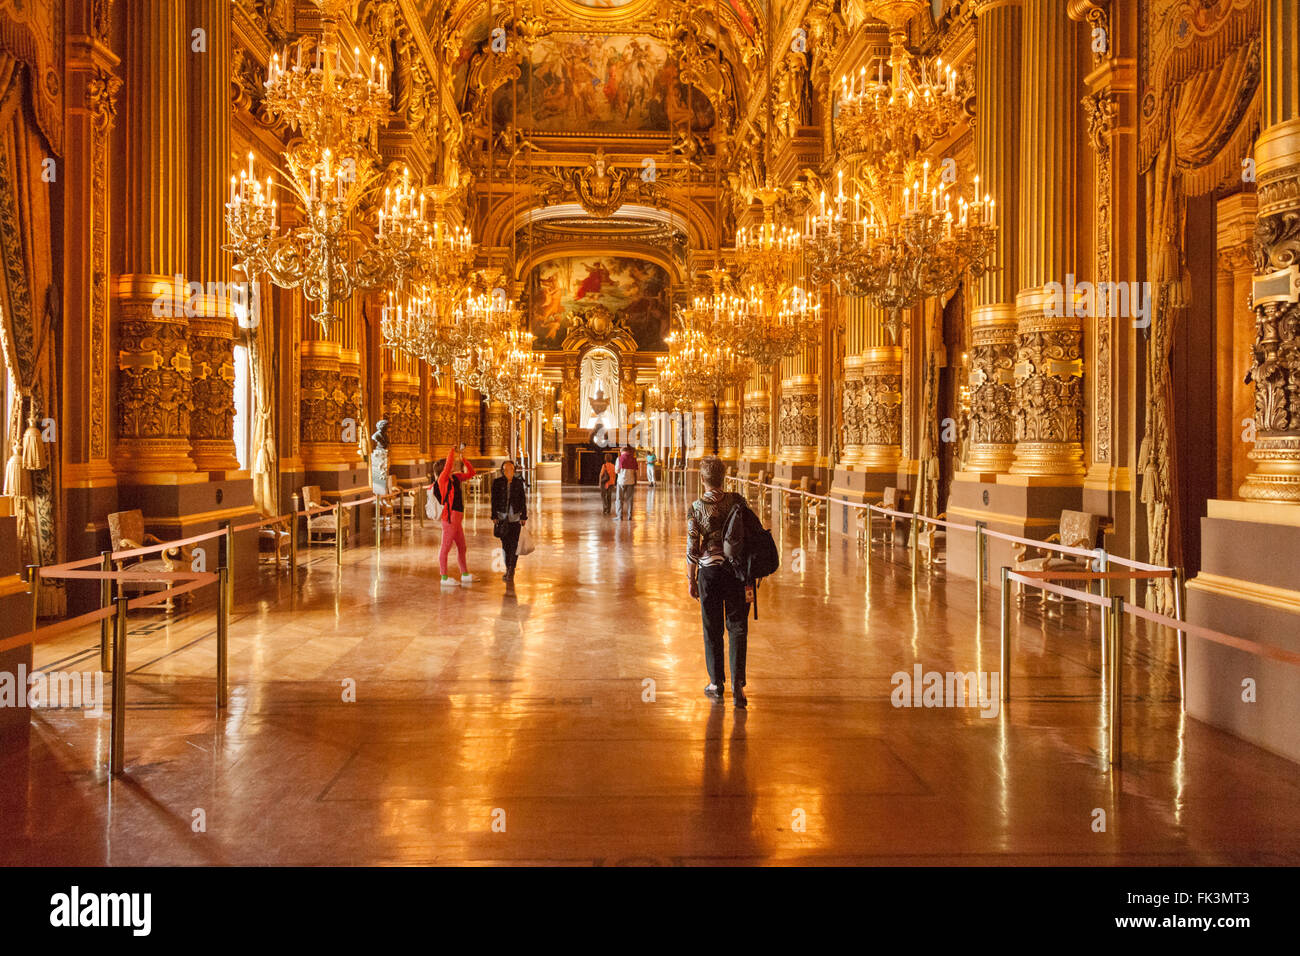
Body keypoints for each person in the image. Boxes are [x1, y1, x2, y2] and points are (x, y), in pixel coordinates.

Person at [686, 455, 754, 707]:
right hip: (737, 571)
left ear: (702, 479)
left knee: (712, 628)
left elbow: (692, 547)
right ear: (722, 478)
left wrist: (690, 578)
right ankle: (739, 685)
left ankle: (716, 683)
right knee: (737, 627)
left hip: (710, 572)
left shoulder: (696, 507)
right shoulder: (738, 501)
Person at [435, 444, 476, 587]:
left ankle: (464, 574)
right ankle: (444, 577)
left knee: (462, 547)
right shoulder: (442, 481)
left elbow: (471, 473)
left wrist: (463, 459)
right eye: (449, 465)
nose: (452, 466)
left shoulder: (456, 478)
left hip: (458, 518)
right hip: (450, 518)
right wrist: (452, 450)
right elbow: (447, 466)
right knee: (445, 547)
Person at [491, 459, 528, 583]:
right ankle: (508, 568)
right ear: (502, 471)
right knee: (505, 545)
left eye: (511, 469)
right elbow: (494, 500)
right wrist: (494, 515)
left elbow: (523, 500)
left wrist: (524, 516)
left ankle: (512, 568)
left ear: (514, 470)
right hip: (502, 517)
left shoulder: (518, 483)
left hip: (515, 517)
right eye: (506, 469)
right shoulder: (497, 482)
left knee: (514, 545)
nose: (509, 471)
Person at [615, 443, 638, 520]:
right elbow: (635, 471)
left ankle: (619, 516)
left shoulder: (619, 458)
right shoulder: (633, 459)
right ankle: (629, 516)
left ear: (622, 451)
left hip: (621, 481)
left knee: (619, 499)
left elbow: (617, 471)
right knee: (630, 499)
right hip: (631, 481)